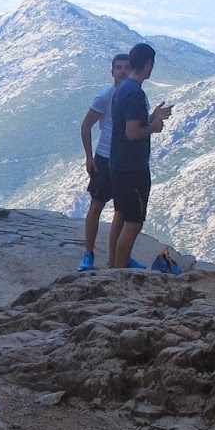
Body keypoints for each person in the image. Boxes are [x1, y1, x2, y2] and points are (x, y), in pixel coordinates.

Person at [108, 42, 172, 269]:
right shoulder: (135, 92)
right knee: (133, 222)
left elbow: (130, 123)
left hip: (118, 164)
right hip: (132, 167)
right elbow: (133, 132)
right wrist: (154, 126)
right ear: (148, 64)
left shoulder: (123, 88)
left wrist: (152, 116)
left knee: (123, 216)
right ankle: (119, 271)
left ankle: (114, 266)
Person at [78, 53, 130, 270]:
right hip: (106, 157)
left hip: (126, 161)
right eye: (118, 67)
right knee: (97, 205)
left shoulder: (136, 95)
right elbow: (86, 125)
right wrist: (89, 157)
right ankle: (88, 254)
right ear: (112, 72)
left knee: (122, 211)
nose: (122, 71)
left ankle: (117, 258)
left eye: (126, 67)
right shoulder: (105, 96)